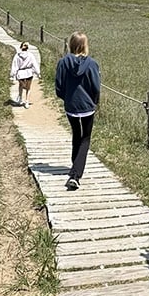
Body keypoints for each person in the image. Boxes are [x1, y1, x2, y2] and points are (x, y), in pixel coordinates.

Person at [55, 31, 101, 190]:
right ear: (84, 45)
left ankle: (75, 166)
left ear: (70, 44)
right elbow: (95, 86)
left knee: (77, 134)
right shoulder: (93, 64)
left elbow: (59, 86)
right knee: (86, 138)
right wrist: (94, 101)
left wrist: (67, 98)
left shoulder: (62, 63)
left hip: (71, 107)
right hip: (88, 107)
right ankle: (75, 175)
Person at [10, 41, 40, 107]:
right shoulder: (30, 55)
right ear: (28, 48)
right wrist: (38, 72)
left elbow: (14, 65)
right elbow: (34, 64)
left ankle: (20, 99)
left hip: (20, 73)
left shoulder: (17, 56)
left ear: (21, 47)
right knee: (28, 88)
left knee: (20, 86)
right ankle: (27, 101)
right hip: (29, 72)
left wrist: (12, 74)